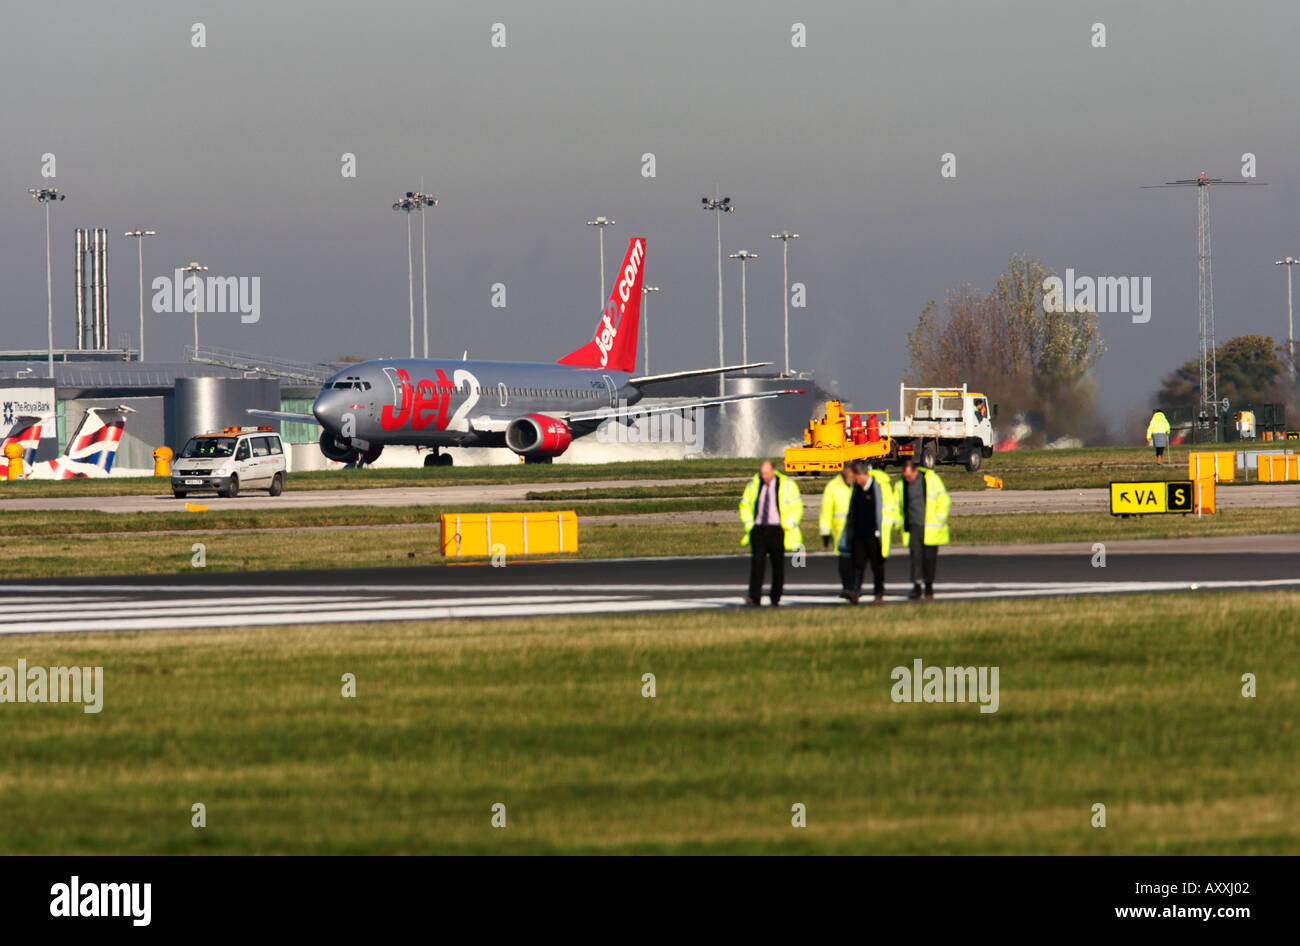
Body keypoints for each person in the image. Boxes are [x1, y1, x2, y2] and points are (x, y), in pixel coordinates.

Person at [739, 459, 804, 606]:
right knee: (757, 564)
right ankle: (754, 596)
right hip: (759, 530)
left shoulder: (787, 485)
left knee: (777, 566)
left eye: (766, 473)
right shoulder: (754, 485)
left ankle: (776, 596)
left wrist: (787, 525)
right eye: (762, 473)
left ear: (773, 471)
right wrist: (750, 526)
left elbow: (797, 507)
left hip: (777, 530)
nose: (763, 476)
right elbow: (744, 505)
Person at [839, 459, 898, 604]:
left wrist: (880, 534)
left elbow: (880, 512)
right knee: (858, 565)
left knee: (876, 565)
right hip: (859, 534)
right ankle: (855, 592)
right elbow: (852, 511)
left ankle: (879, 593)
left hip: (874, 534)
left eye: (857, 478)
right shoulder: (857, 489)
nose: (856, 481)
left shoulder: (877, 488)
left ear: (863, 475)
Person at [897, 459, 949, 601]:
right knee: (915, 557)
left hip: (931, 527)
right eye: (905, 476)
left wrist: (939, 518)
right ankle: (917, 586)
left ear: (915, 472)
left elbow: (944, 499)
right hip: (913, 526)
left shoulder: (931, 479)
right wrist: (899, 521)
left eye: (909, 476)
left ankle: (929, 586)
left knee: (929, 558)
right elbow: (897, 504)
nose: (907, 479)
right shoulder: (901, 484)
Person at [819, 462, 854, 596]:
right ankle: (847, 587)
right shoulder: (833, 487)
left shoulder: (859, 485)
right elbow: (826, 510)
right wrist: (825, 532)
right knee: (844, 562)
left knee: (858, 561)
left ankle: (854, 587)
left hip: (858, 530)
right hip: (840, 531)